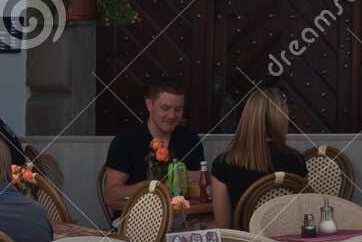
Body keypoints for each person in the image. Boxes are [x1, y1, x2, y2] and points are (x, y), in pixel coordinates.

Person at [102, 77, 206, 212]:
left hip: (182, 218)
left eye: (178, 109)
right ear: (149, 104)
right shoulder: (125, 140)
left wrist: (184, 177)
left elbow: (203, 185)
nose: (172, 116)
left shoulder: (190, 138)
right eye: (165, 108)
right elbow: (111, 196)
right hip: (134, 219)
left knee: (215, 228)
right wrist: (150, 187)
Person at [209, 88, 307, 229]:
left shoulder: (223, 163)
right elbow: (302, 211)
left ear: (247, 117)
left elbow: (223, 226)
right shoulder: (296, 160)